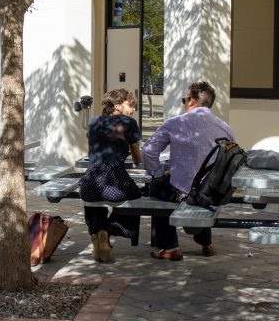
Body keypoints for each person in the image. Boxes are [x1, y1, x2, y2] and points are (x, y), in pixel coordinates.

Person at [142, 80, 234, 260]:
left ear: (191, 100)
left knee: (157, 189)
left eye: (184, 100)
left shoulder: (176, 123)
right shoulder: (225, 128)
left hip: (181, 191)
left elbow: (148, 150)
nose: (184, 103)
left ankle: (170, 246)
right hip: (211, 191)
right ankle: (206, 243)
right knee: (204, 182)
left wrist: (159, 173)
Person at [77, 88, 143, 263]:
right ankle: (109, 229)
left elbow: (93, 153)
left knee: (93, 200)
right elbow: (138, 160)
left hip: (91, 181)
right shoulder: (129, 123)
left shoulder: (94, 121)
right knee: (137, 197)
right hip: (116, 182)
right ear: (117, 105)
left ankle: (98, 234)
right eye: (130, 105)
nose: (133, 110)